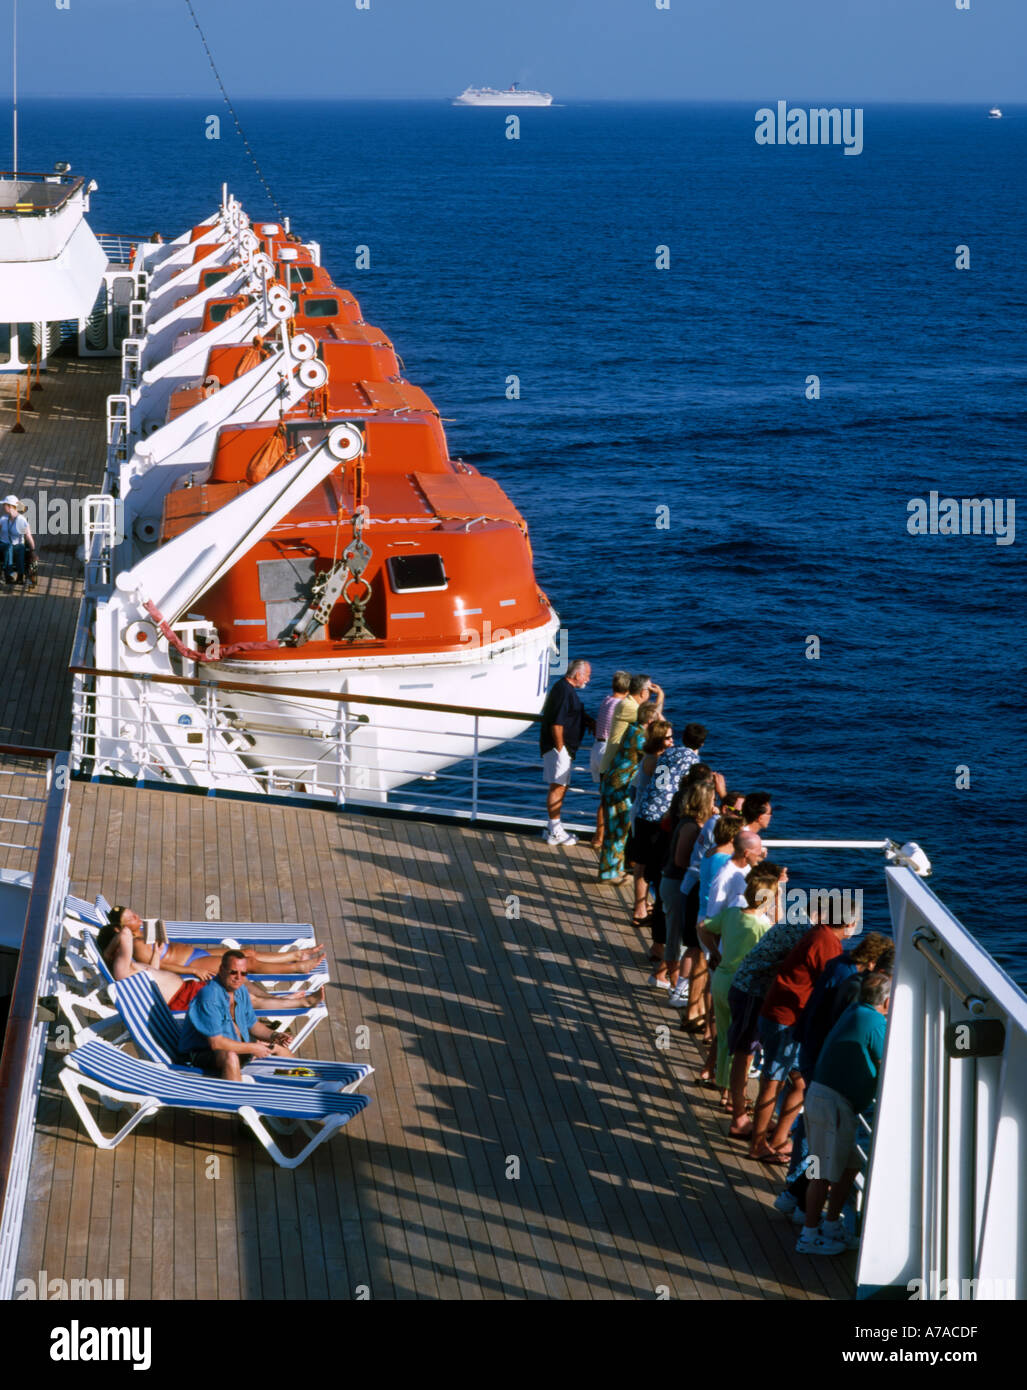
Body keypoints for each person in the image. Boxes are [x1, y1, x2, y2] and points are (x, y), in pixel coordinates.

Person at [751, 898, 862, 1162]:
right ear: (849, 923)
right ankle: (757, 1145)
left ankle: (778, 1138)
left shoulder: (819, 934)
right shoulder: (827, 944)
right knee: (772, 1081)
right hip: (786, 1018)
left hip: (783, 1014)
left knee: (799, 1083)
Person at [796, 971, 891, 1255]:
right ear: (886, 1002)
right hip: (833, 1106)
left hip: (827, 1101)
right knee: (822, 1175)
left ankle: (831, 1225)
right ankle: (808, 1236)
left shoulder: (856, 1010)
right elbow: (889, 1060)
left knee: (850, 1166)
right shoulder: (874, 1021)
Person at [95, 913, 324, 1010]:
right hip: (183, 997)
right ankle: (298, 1002)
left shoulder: (129, 966)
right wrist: (112, 946)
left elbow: (154, 972)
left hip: (188, 988)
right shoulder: (121, 967)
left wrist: (156, 952)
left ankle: (279, 999)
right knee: (241, 994)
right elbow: (125, 934)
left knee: (239, 981)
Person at [700, 873, 776, 1102]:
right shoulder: (762, 926)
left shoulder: (732, 913)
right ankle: (731, 1094)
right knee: (741, 1044)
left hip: (721, 979)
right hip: (743, 988)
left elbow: (702, 927)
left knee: (724, 1037)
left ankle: (723, 1086)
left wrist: (715, 952)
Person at [177, 950, 296, 1079]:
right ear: (221, 970)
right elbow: (216, 1043)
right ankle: (236, 1091)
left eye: (243, 973)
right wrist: (253, 1048)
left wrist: (274, 1035)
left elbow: (253, 1025)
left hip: (236, 1044)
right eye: (233, 972)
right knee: (231, 1056)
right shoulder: (209, 998)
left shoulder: (240, 990)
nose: (238, 977)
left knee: (277, 1046)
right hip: (202, 1054)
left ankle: (301, 1083)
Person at [599, 708, 662, 885]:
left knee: (619, 828)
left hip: (615, 783)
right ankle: (608, 873)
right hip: (618, 787)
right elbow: (655, 756)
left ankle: (614, 868)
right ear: (650, 722)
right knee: (617, 829)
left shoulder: (633, 728)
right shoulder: (640, 738)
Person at [539, 659, 594, 846]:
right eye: (587, 675)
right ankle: (555, 831)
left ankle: (552, 828)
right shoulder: (564, 691)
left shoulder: (564, 689)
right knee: (558, 786)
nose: (588, 679)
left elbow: (573, 713)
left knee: (559, 785)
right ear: (577, 675)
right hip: (558, 749)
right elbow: (557, 724)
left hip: (559, 748)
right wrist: (561, 749)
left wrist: (588, 721)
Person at [590, 671, 631, 850]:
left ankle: (598, 837)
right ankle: (604, 837)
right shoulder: (622, 705)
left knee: (604, 797)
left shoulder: (606, 701)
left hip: (598, 748)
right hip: (609, 751)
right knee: (611, 798)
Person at [599, 674, 662, 775]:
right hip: (614, 768)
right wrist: (660, 695)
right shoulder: (629, 706)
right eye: (650, 691)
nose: (650, 694)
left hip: (619, 766)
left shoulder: (628, 703)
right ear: (643, 692)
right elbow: (655, 721)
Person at [704, 830, 765, 920]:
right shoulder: (724, 877)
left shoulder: (748, 867)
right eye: (758, 850)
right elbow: (712, 916)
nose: (761, 853)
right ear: (747, 853)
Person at [1, 495, 35, 587]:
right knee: (8, 547)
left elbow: (28, 535)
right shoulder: (3, 519)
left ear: (10, 506)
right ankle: (9, 574)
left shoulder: (22, 520)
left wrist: (32, 549)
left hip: (17, 545)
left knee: (20, 549)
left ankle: (20, 576)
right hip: (3, 544)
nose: (3, 507)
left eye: (5, 505)